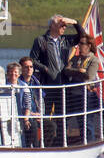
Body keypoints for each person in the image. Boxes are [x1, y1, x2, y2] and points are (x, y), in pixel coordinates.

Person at [29, 14, 80, 145]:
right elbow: (32, 60)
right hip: (48, 85)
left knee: (62, 115)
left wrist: (74, 22)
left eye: (65, 25)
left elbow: (83, 37)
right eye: (61, 24)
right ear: (52, 25)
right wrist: (46, 69)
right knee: (45, 115)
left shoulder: (65, 40)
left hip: (62, 85)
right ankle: (43, 142)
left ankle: (61, 142)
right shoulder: (41, 41)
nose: (64, 27)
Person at [63, 36, 100, 143]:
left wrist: (76, 73)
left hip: (86, 95)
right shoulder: (75, 58)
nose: (79, 45)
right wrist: (79, 71)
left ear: (89, 46)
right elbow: (66, 71)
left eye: (82, 43)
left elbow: (89, 76)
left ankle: (90, 143)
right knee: (77, 121)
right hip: (74, 94)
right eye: (79, 43)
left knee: (87, 122)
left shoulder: (93, 60)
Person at [19, 56, 43, 147]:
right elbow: (20, 104)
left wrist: (40, 114)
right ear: (21, 69)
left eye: (31, 67)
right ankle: (33, 149)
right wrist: (31, 114)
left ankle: (43, 148)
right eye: (26, 67)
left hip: (36, 115)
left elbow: (41, 100)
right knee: (32, 125)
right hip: (25, 116)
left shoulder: (35, 82)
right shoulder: (19, 83)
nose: (29, 69)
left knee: (52, 126)